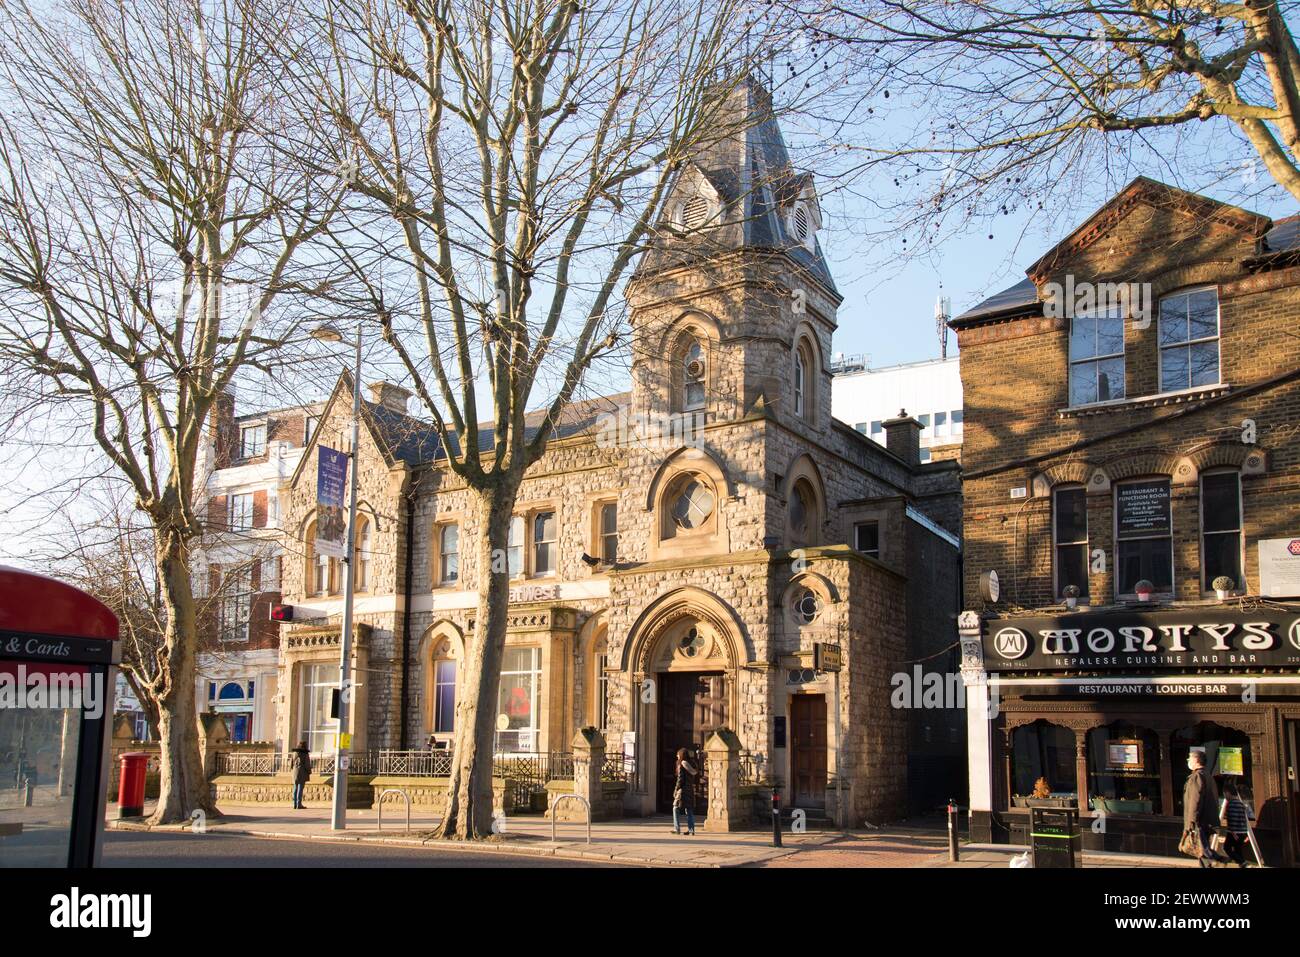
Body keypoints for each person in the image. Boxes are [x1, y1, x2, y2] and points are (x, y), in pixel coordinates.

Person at [1182, 748, 1220, 867]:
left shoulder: (1197, 777)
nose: (1188, 761)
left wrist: (1191, 822)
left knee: (1203, 850)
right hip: (1207, 819)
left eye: (1190, 758)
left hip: (1199, 821)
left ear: (1196, 760)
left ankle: (1219, 860)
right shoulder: (1207, 775)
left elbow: (1195, 800)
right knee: (1202, 851)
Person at [1218, 779, 1255, 867]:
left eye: (1224, 794)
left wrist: (1232, 831)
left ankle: (1243, 862)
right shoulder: (1241, 804)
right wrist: (1245, 832)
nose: (1224, 796)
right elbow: (1243, 819)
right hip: (1242, 832)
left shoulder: (1231, 804)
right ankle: (1243, 864)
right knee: (1238, 850)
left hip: (1234, 832)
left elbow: (1232, 819)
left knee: (1227, 848)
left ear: (1228, 793)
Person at [671, 747, 697, 836]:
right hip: (690, 789)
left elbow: (680, 779)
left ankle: (676, 828)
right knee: (689, 810)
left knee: (675, 808)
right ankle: (691, 830)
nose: (677, 756)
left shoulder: (681, 764)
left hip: (682, 790)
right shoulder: (692, 764)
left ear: (681, 755)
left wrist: (676, 789)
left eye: (678, 754)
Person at [290, 741, 311, 810]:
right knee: (300, 788)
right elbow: (307, 764)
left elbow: (291, 763)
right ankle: (299, 804)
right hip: (302, 772)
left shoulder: (294, 753)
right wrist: (309, 771)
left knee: (295, 787)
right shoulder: (305, 753)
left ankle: (294, 804)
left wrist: (292, 769)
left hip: (295, 772)